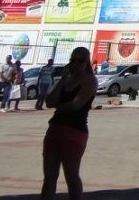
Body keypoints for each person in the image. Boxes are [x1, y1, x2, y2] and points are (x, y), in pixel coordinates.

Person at [41, 46, 98, 200]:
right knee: (49, 176)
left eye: (80, 60)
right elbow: (49, 101)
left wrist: (57, 106)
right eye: (73, 60)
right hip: (55, 128)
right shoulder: (67, 80)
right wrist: (63, 79)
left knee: (71, 175)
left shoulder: (90, 80)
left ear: (87, 62)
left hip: (75, 131)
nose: (76, 63)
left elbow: (75, 105)